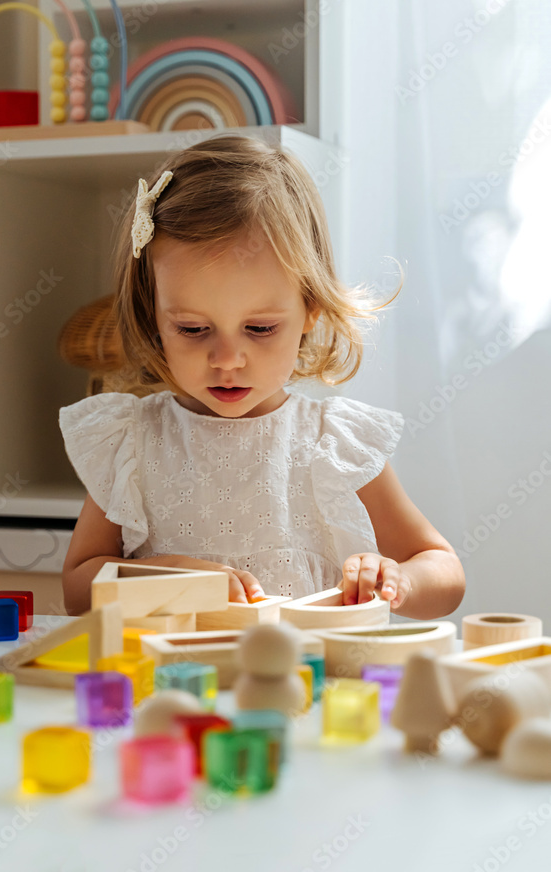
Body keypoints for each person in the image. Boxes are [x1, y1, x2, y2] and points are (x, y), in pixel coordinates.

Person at [60, 134, 465, 619]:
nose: (228, 359)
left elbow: (443, 571)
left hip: (305, 688)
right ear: (154, 315)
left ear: (310, 308)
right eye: (192, 328)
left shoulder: (334, 441)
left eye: (260, 328)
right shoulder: (132, 439)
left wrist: (397, 578)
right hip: (173, 686)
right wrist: (162, 573)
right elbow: (79, 589)